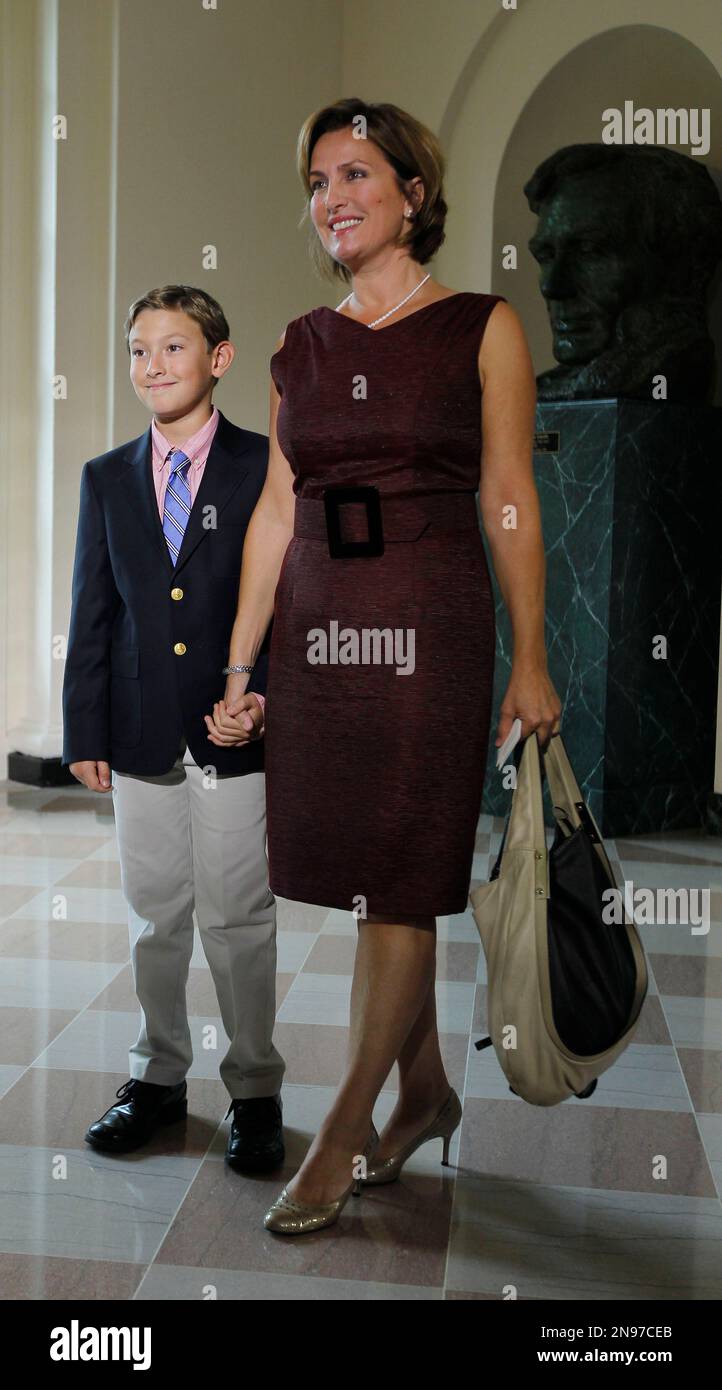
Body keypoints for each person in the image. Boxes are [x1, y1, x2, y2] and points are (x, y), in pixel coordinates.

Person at [206, 99, 562, 1235]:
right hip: (316, 634)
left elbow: (506, 493)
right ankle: (424, 1092)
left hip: (428, 621)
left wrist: (533, 658)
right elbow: (273, 508)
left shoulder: (479, 325)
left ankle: (345, 1125)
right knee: (357, 868)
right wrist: (240, 657)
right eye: (317, 181)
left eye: (356, 174)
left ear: (413, 193)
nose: (333, 199)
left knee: (401, 875)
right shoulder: (294, 344)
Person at [62, 284, 285, 1173]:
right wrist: (87, 728)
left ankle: (256, 1091)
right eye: (139, 350)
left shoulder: (267, 468)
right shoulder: (106, 477)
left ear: (219, 359)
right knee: (155, 918)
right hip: (141, 730)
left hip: (234, 734)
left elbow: (290, 603)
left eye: (174, 348)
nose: (153, 366)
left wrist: (262, 694)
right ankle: (156, 1078)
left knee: (238, 916)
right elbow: (94, 611)